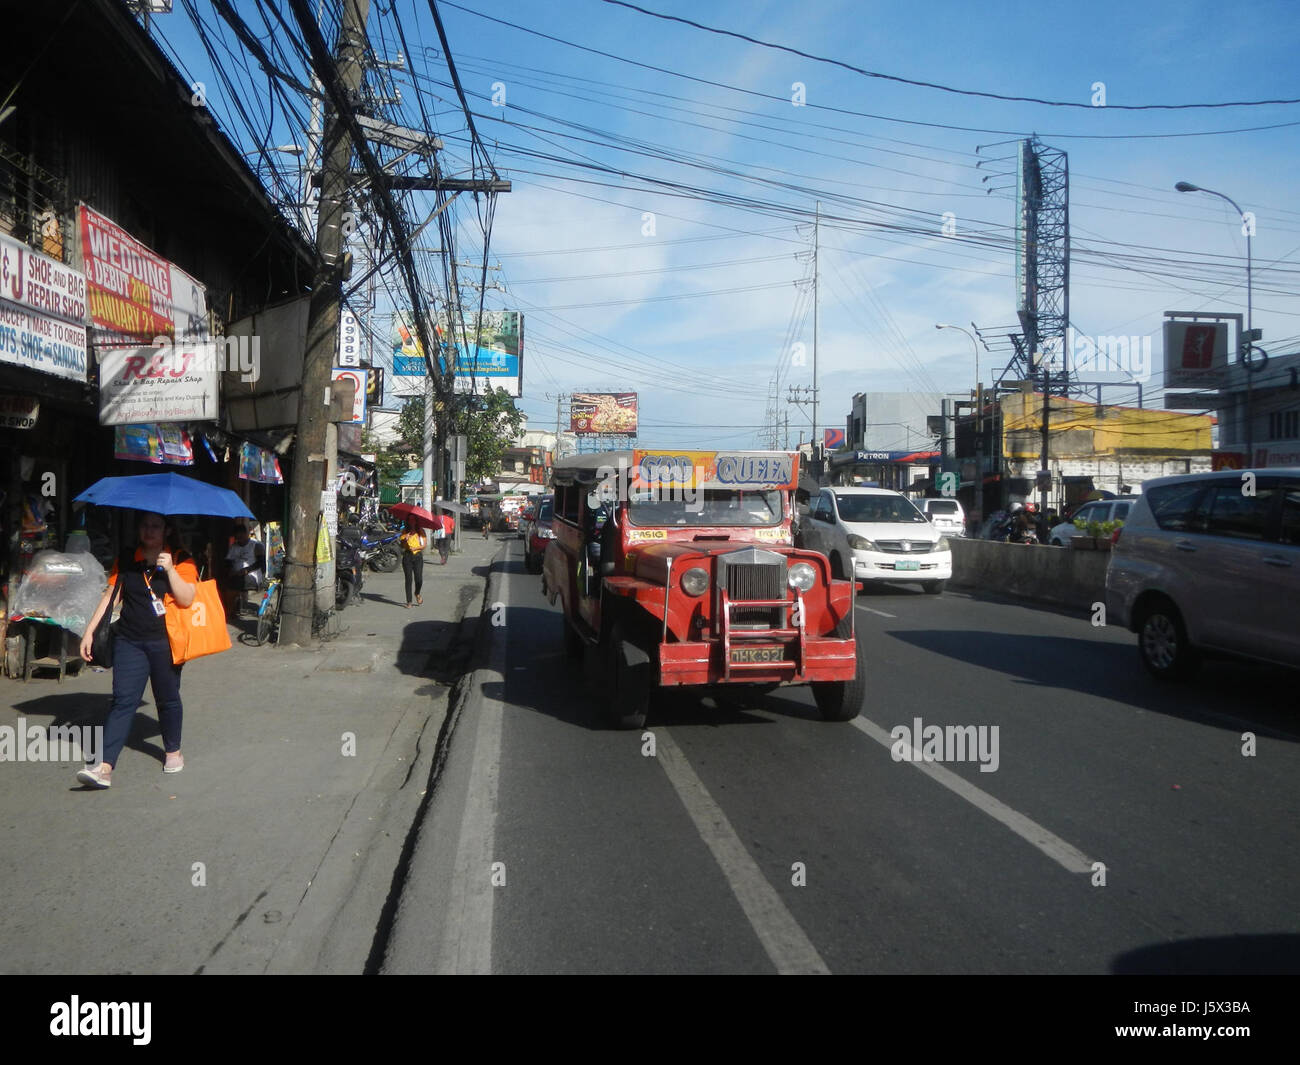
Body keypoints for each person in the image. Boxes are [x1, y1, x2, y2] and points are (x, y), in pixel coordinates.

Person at [76, 511, 198, 788]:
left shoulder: (181, 559)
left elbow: (188, 598)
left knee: (167, 698)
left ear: (167, 530)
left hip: (165, 643)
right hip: (129, 641)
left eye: (156, 526)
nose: (149, 531)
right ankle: (104, 767)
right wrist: (89, 632)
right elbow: (111, 596)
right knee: (123, 699)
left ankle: (172, 751)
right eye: (145, 525)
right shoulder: (129, 559)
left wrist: (169, 569)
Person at [224, 522, 263, 615]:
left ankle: (229, 611)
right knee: (224, 581)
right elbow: (228, 561)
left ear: (246, 534)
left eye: (241, 537)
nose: (239, 540)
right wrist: (230, 570)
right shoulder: (234, 547)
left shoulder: (256, 545)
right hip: (236, 574)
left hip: (251, 575)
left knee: (234, 585)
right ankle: (230, 608)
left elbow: (260, 563)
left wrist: (246, 570)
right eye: (238, 538)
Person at [399, 515, 427, 608]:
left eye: (413, 520)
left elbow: (424, 545)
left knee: (419, 579)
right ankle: (409, 601)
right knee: (408, 579)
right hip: (407, 557)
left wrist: (416, 547)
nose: (412, 522)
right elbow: (402, 546)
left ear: (416, 521)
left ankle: (417, 593)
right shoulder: (404, 532)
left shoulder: (421, 532)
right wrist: (404, 540)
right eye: (410, 520)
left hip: (418, 556)